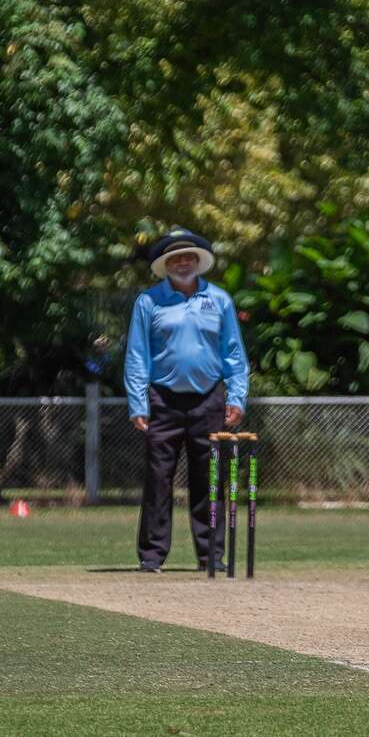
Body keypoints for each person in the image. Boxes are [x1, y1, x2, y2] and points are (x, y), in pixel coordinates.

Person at [124, 229, 249, 573]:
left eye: (189, 257)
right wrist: (138, 403)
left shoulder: (219, 300)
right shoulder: (149, 302)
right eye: (176, 259)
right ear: (165, 265)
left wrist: (236, 397)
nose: (183, 263)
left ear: (198, 262)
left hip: (209, 399)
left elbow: (234, 354)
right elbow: (137, 355)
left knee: (209, 479)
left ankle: (211, 555)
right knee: (158, 478)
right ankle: (151, 555)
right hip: (162, 400)